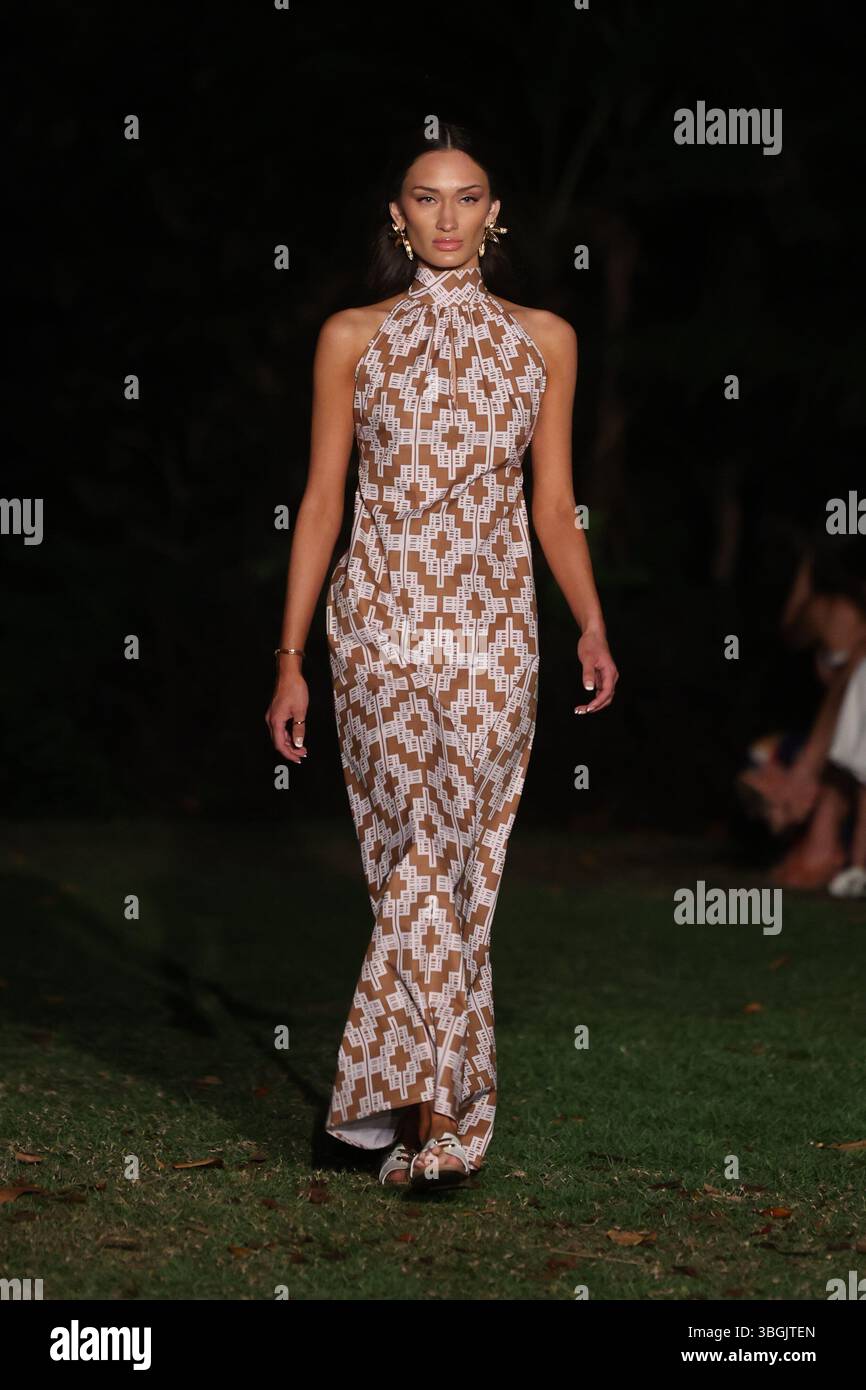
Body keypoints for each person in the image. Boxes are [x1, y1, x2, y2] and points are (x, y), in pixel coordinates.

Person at [265, 125, 618, 1189]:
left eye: (468, 198)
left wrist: (590, 620)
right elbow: (322, 500)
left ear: (496, 212)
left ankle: (396, 1117)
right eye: (426, 199)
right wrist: (289, 657)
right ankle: (420, 1117)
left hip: (493, 633)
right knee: (408, 856)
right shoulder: (348, 336)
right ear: (396, 215)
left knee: (460, 863)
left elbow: (552, 506)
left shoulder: (544, 338)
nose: (448, 218)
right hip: (372, 626)